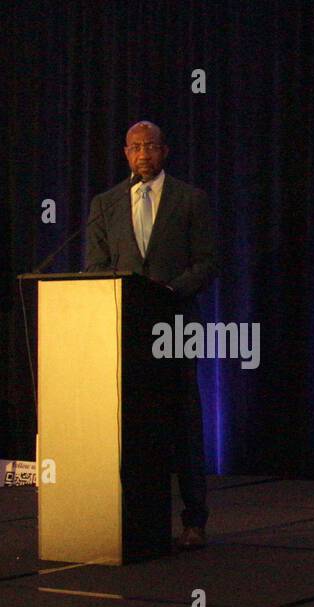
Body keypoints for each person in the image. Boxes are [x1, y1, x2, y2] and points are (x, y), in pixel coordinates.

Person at [85, 121, 217, 549]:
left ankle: (194, 520)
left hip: (175, 326)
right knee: (129, 425)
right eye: (136, 147)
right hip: (125, 330)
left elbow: (207, 263)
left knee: (183, 421)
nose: (143, 154)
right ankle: (131, 519)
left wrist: (170, 291)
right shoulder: (104, 204)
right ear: (125, 153)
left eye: (151, 147)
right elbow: (95, 267)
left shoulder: (191, 199)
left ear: (165, 151)